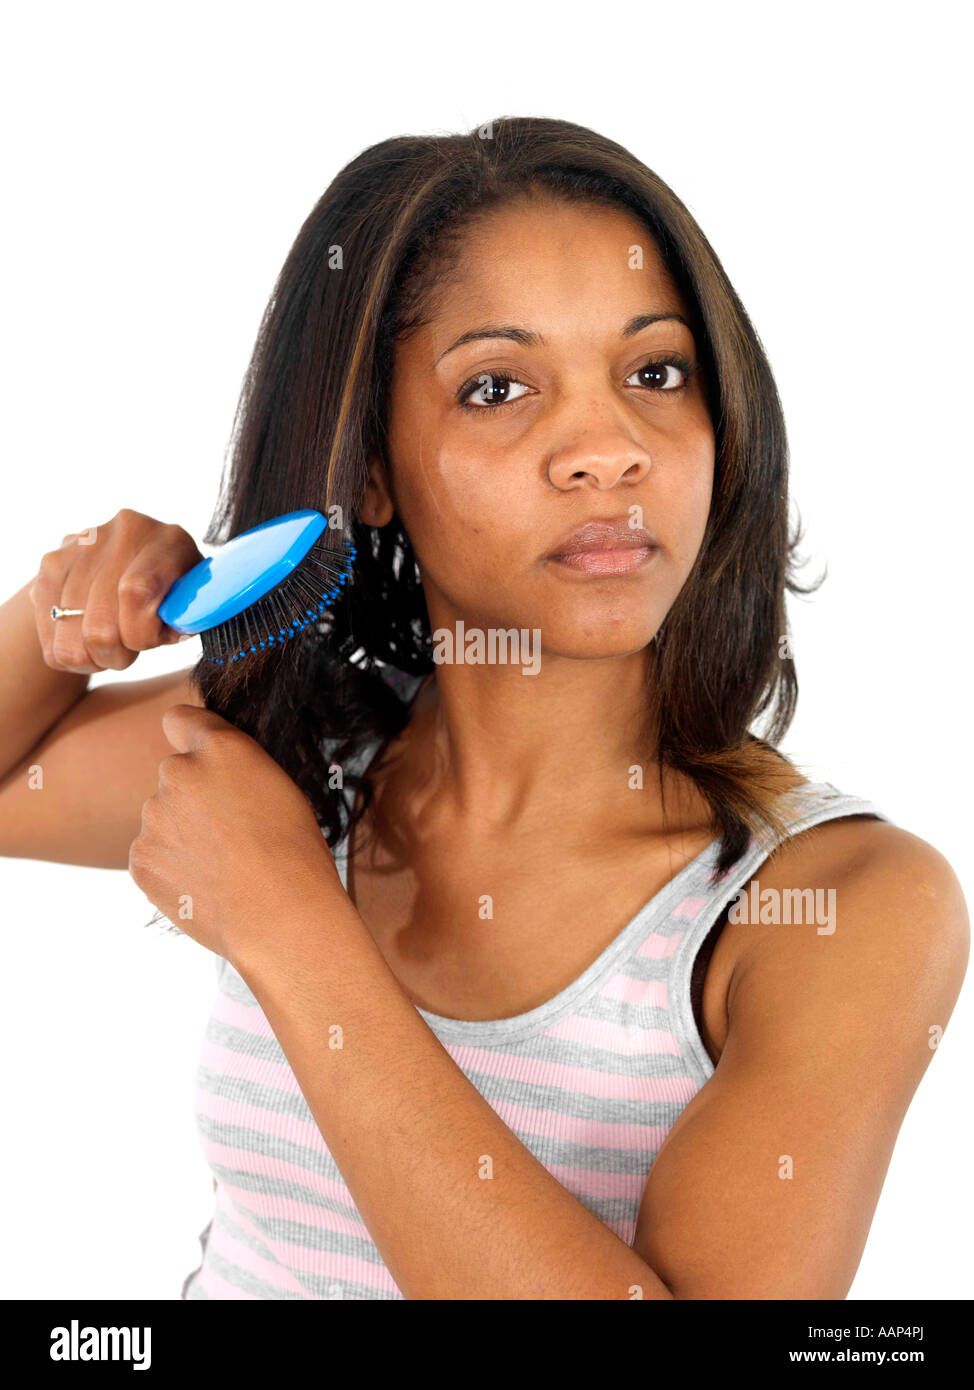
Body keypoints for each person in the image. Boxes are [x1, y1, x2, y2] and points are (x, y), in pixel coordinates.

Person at [0, 116, 968, 1301]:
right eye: (497, 387)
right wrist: (52, 619)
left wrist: (293, 928)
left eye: (653, 372)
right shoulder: (306, 747)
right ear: (368, 468)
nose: (605, 451)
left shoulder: (834, 906)